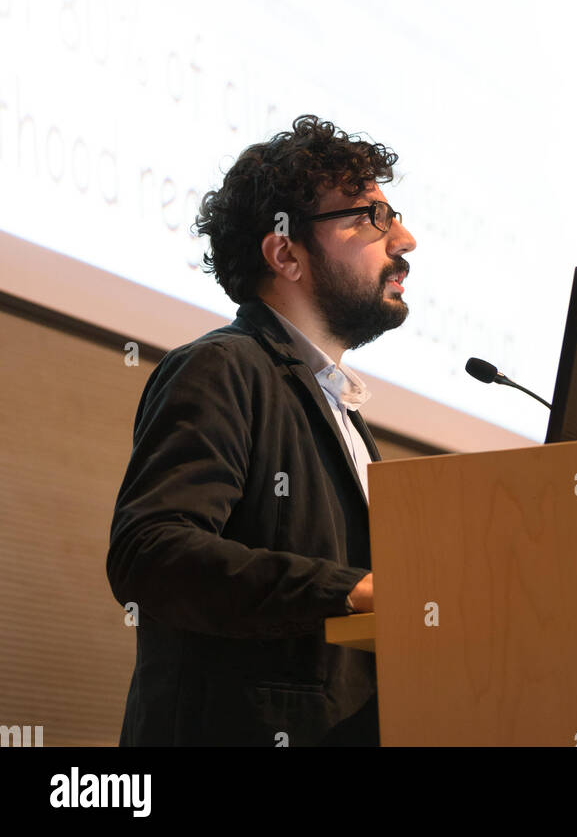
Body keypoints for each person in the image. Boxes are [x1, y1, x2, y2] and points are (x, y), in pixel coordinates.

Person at [106, 114, 416, 747]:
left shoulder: (341, 411)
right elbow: (150, 553)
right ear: (284, 253)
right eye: (369, 218)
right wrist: (348, 589)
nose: (405, 239)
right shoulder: (222, 367)